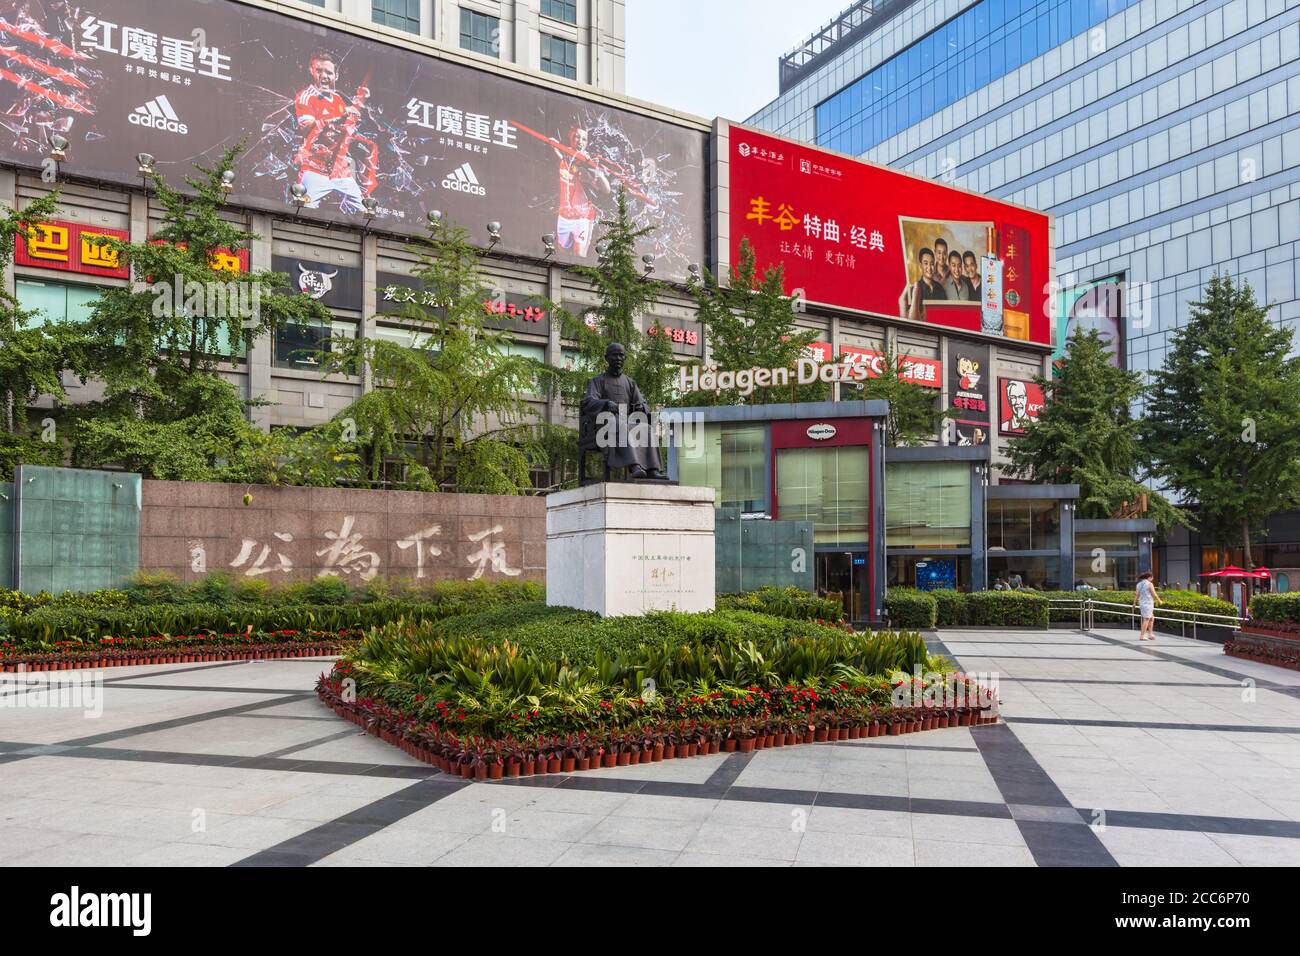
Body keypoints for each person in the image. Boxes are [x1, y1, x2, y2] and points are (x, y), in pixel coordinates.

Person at [293, 51, 376, 213]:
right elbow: (306, 129)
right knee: (303, 211)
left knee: (361, 211)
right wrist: (340, 115)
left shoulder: (338, 99)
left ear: (336, 76)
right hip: (315, 167)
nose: (324, 76)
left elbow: (344, 127)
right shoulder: (305, 96)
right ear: (312, 71)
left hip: (339, 169)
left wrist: (361, 102)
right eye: (319, 71)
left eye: (329, 72)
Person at [555, 126, 610, 258]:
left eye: (584, 139)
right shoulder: (565, 156)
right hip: (564, 214)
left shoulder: (588, 162)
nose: (580, 141)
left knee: (579, 257)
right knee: (559, 256)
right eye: (577, 137)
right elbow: (564, 160)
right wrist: (554, 146)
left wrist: (596, 172)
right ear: (570, 137)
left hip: (582, 217)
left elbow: (606, 189)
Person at [904, 247, 946, 322]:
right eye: (926, 263)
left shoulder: (941, 289)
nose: (929, 267)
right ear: (920, 265)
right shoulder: (914, 291)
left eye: (932, 264)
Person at [1133, 571, 1162, 641]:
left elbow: (1137, 594)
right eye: (1152, 578)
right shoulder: (1149, 584)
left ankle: (1150, 634)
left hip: (1142, 603)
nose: (1152, 579)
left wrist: (1134, 603)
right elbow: (1154, 594)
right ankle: (1142, 636)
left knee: (1151, 618)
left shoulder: (1139, 584)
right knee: (1146, 619)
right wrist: (1159, 600)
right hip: (1148, 604)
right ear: (1149, 577)